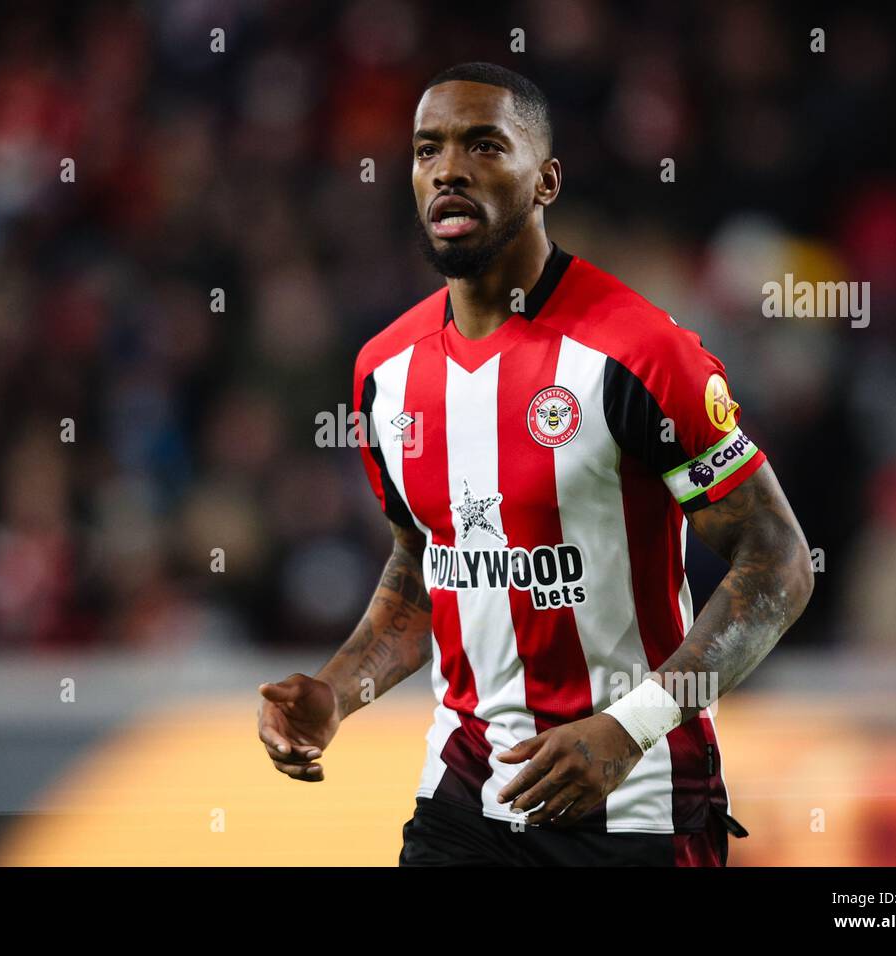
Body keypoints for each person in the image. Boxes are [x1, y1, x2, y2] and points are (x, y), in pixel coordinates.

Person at [257, 62, 813, 866]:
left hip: (637, 808)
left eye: (484, 145)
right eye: (426, 150)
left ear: (545, 179)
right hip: (462, 801)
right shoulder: (384, 373)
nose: (448, 168)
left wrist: (629, 728)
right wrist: (336, 693)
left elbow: (779, 562)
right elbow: (427, 569)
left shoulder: (640, 354)